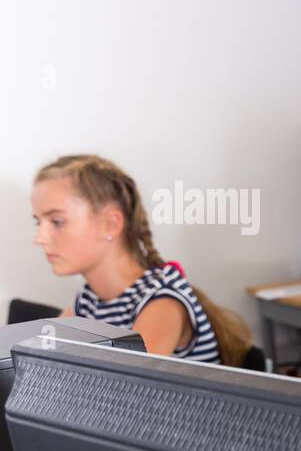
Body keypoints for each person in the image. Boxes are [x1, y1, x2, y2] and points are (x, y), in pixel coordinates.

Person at [31, 154, 249, 364]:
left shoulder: (162, 304)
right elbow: (40, 366)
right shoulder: (87, 301)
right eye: (38, 222)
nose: (40, 238)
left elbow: (122, 394)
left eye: (57, 221)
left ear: (110, 225)